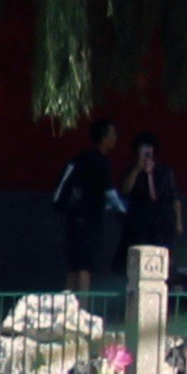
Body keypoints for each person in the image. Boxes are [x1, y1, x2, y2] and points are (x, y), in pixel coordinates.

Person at [51, 121, 120, 287]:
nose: (115, 138)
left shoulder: (81, 159)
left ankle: (67, 306)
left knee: (74, 266)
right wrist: (124, 209)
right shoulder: (101, 162)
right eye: (112, 134)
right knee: (84, 266)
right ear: (104, 138)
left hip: (72, 218)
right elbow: (109, 193)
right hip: (88, 220)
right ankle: (82, 308)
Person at [118, 133, 184, 264]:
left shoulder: (164, 170)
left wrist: (178, 221)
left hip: (162, 219)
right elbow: (125, 190)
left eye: (149, 148)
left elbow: (174, 197)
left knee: (164, 254)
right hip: (140, 220)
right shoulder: (132, 170)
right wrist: (137, 169)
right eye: (143, 148)